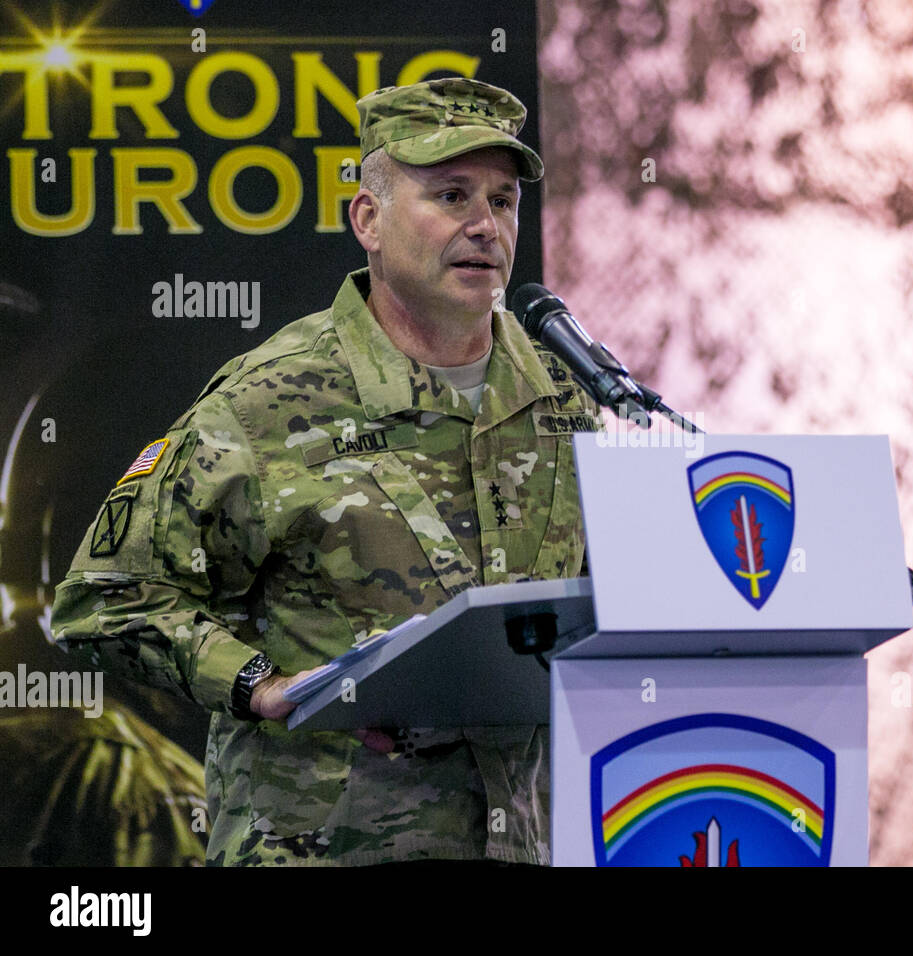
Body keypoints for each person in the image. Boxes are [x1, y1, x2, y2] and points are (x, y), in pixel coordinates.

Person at [50, 77, 603, 866]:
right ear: (368, 220)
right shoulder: (269, 401)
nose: (485, 225)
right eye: (451, 195)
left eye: (504, 200)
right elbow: (104, 599)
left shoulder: (566, 397)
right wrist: (260, 684)